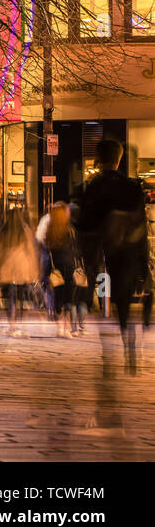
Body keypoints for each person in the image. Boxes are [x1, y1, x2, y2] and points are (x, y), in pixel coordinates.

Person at [79, 138, 150, 369]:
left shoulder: (93, 187)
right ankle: (126, 337)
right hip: (126, 253)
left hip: (100, 254)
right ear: (119, 159)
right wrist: (144, 261)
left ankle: (108, 352)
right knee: (123, 300)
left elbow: (84, 224)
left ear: (99, 160)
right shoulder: (131, 188)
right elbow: (141, 226)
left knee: (100, 300)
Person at [0, 207, 38, 337]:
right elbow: (31, 251)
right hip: (23, 269)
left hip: (7, 268)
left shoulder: (3, 231)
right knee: (21, 298)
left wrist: (0, 260)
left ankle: (12, 324)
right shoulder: (25, 231)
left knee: (9, 298)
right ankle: (19, 324)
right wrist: (34, 270)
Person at [42, 201, 84, 338]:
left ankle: (60, 326)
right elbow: (77, 250)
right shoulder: (70, 230)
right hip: (70, 266)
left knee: (58, 297)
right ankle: (66, 328)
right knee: (69, 299)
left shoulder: (50, 230)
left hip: (55, 268)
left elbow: (45, 250)